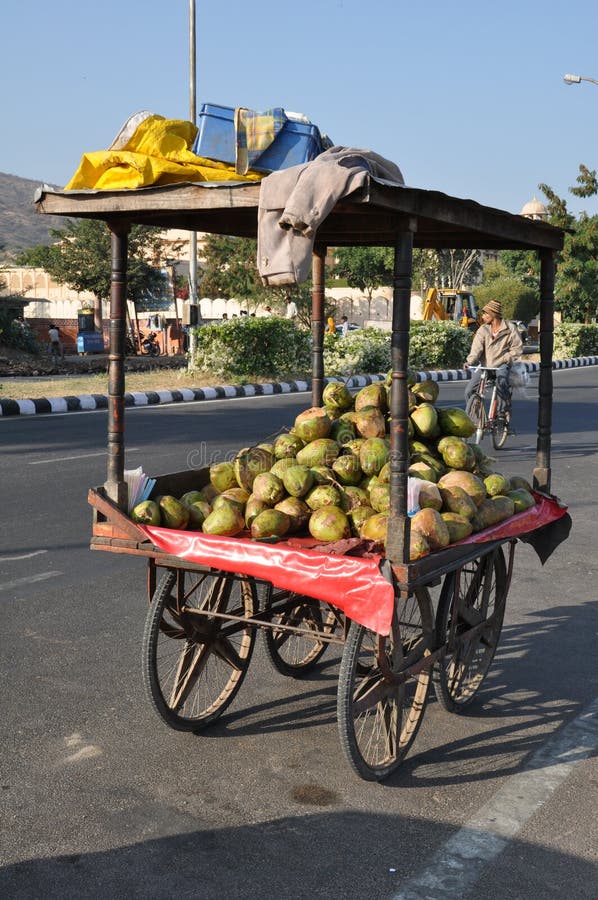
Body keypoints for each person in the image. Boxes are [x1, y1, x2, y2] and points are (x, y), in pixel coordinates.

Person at [464, 299, 523, 417]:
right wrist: (469, 361)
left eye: (486, 313)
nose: (483, 316)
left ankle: (502, 411)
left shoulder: (510, 328)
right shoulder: (483, 329)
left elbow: (517, 349)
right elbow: (476, 349)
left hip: (502, 365)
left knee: (502, 383)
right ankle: (477, 416)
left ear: (493, 314)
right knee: (469, 390)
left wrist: (506, 358)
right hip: (486, 366)